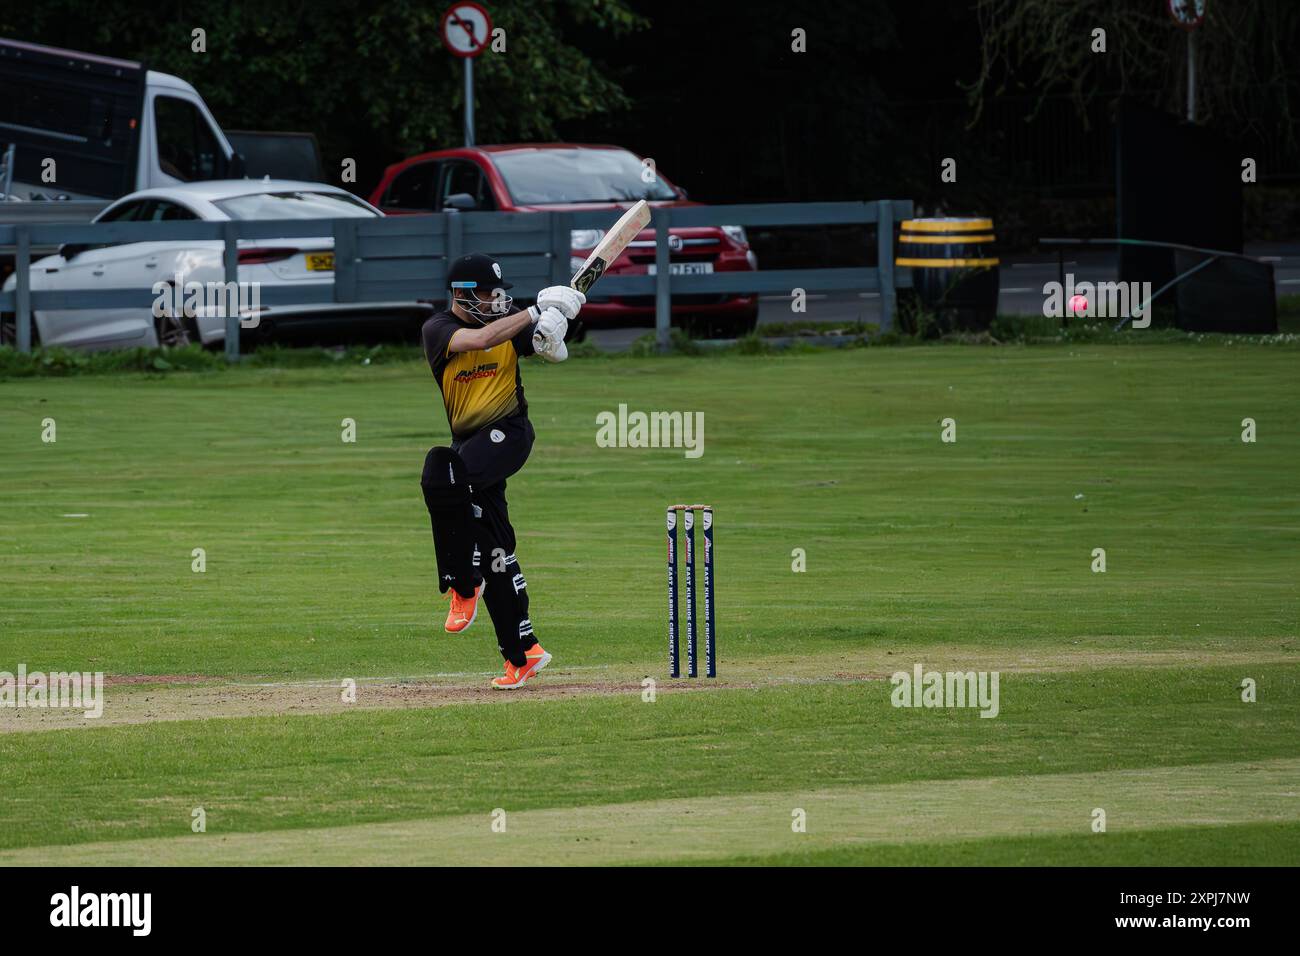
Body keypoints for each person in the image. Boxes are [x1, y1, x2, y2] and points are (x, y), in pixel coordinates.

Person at [418, 253, 582, 689]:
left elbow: (549, 349)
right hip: (469, 445)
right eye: (490, 293)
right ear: (462, 295)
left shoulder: (507, 317)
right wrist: (534, 310)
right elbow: (480, 341)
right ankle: (523, 652)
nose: (498, 300)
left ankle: (463, 585)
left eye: (499, 293)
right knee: (495, 549)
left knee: (441, 472)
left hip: (509, 432)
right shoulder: (438, 330)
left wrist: (556, 324)